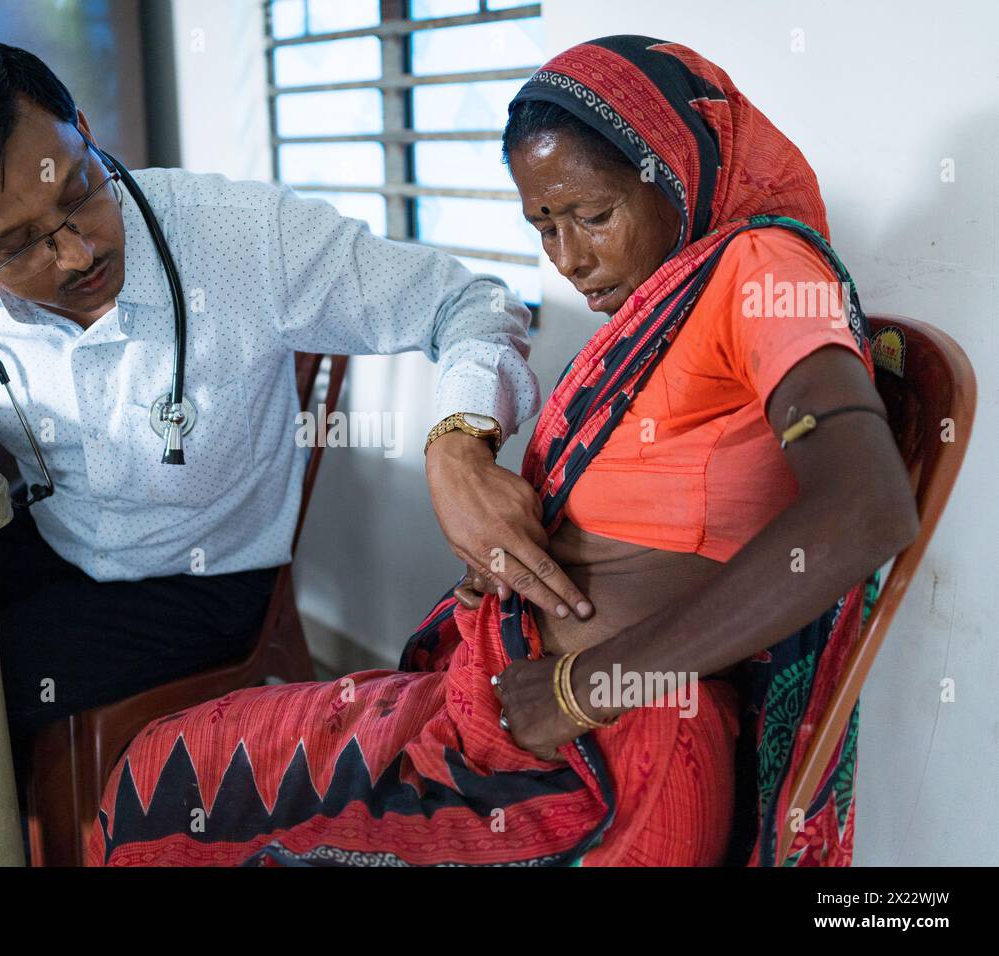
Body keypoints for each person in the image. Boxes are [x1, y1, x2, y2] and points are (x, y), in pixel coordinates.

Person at [88, 36, 919, 867]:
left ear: (676, 173)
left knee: (182, 802)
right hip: (511, 707)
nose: (569, 260)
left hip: (606, 756)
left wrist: (588, 686)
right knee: (165, 770)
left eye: (594, 216)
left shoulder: (759, 268)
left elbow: (865, 509)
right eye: (544, 225)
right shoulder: (672, 297)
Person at [0, 35, 548, 829]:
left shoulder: (239, 236)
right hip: (48, 542)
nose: (76, 254)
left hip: (197, 578)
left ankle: (60, 817)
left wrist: (458, 441)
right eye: (18, 245)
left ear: (86, 132)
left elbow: (470, 302)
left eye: (77, 193)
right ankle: (62, 783)